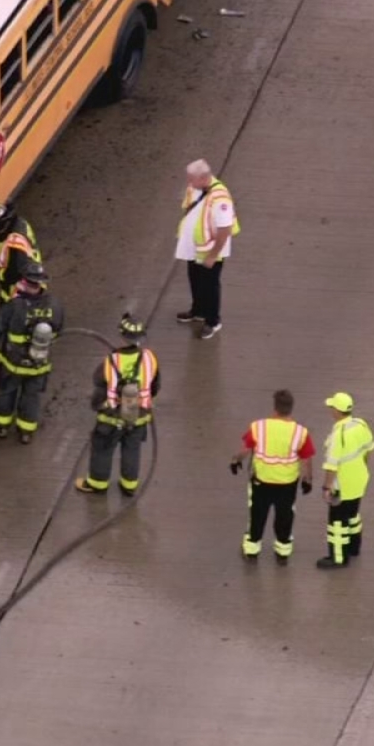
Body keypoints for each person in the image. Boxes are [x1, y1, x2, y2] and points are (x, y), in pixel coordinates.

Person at [75, 313, 160, 496]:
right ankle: (129, 485)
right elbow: (155, 385)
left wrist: (96, 405)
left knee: (102, 447)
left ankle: (97, 483)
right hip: (139, 414)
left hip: (112, 416)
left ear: (122, 336)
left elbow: (99, 384)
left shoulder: (111, 361)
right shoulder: (149, 358)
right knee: (132, 449)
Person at [0, 262, 64, 444]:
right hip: (39, 364)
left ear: (25, 281)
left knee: (6, 392)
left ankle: (0, 426)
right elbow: (58, 331)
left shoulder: (15, 305)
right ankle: (26, 432)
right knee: (31, 396)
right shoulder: (55, 305)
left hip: (13, 363)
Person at [230, 389, 315, 564]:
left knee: (257, 514)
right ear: (290, 409)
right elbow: (307, 459)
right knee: (285, 515)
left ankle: (252, 550)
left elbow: (246, 449)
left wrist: (235, 460)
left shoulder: (259, 427)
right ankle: (283, 551)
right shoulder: (300, 432)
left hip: (262, 480)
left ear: (275, 408)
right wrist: (308, 480)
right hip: (287, 483)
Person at [174, 159, 239, 339]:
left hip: (210, 249)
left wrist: (213, 255)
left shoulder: (220, 198)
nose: (189, 182)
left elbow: (225, 229)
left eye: (191, 179)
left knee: (210, 285)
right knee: (195, 279)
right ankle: (198, 311)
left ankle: (212, 321)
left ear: (203, 178)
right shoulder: (196, 188)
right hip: (195, 246)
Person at [317, 392, 374, 570]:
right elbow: (369, 449)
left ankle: (338, 557)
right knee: (353, 515)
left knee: (337, 523)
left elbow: (331, 465)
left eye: (331, 407)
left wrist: (326, 487)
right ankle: (354, 548)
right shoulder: (360, 425)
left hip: (342, 485)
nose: (330, 410)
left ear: (336, 410)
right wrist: (362, 467)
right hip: (359, 480)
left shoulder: (338, 435)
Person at [0, 202, 42, 304]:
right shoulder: (20, 223)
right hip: (33, 273)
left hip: (17, 291)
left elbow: (10, 275)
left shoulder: (13, 247)